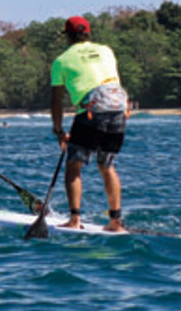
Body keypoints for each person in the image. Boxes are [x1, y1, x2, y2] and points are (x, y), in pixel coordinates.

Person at [49, 15, 129, 232]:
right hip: (118, 109)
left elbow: (56, 101)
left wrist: (59, 131)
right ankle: (115, 222)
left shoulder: (61, 61)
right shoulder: (106, 51)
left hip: (91, 113)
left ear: (67, 36)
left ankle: (75, 220)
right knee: (107, 165)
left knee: (73, 166)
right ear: (88, 33)